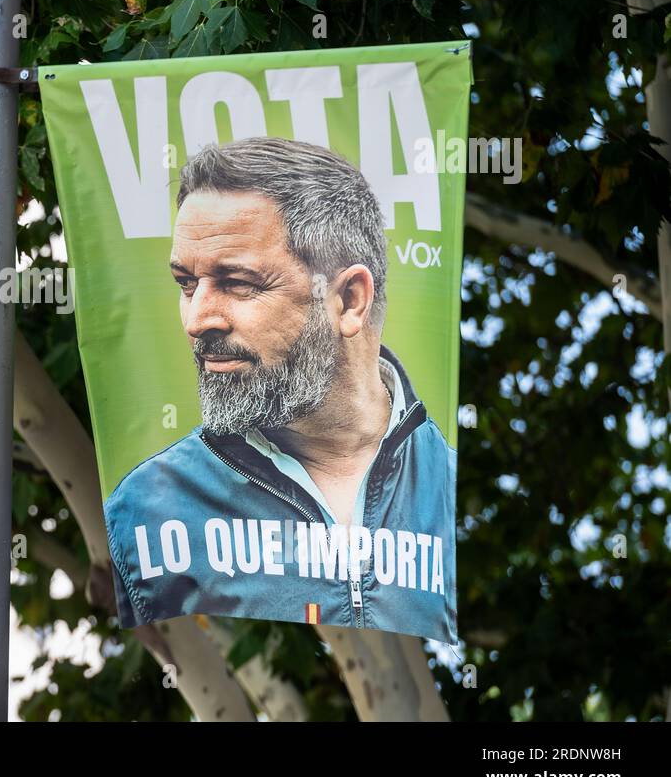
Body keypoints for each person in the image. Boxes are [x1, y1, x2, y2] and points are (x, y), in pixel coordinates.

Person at [104, 137, 457, 643]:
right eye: (186, 283)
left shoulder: (451, 489)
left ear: (350, 300)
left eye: (239, 283)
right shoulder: (145, 508)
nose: (198, 319)